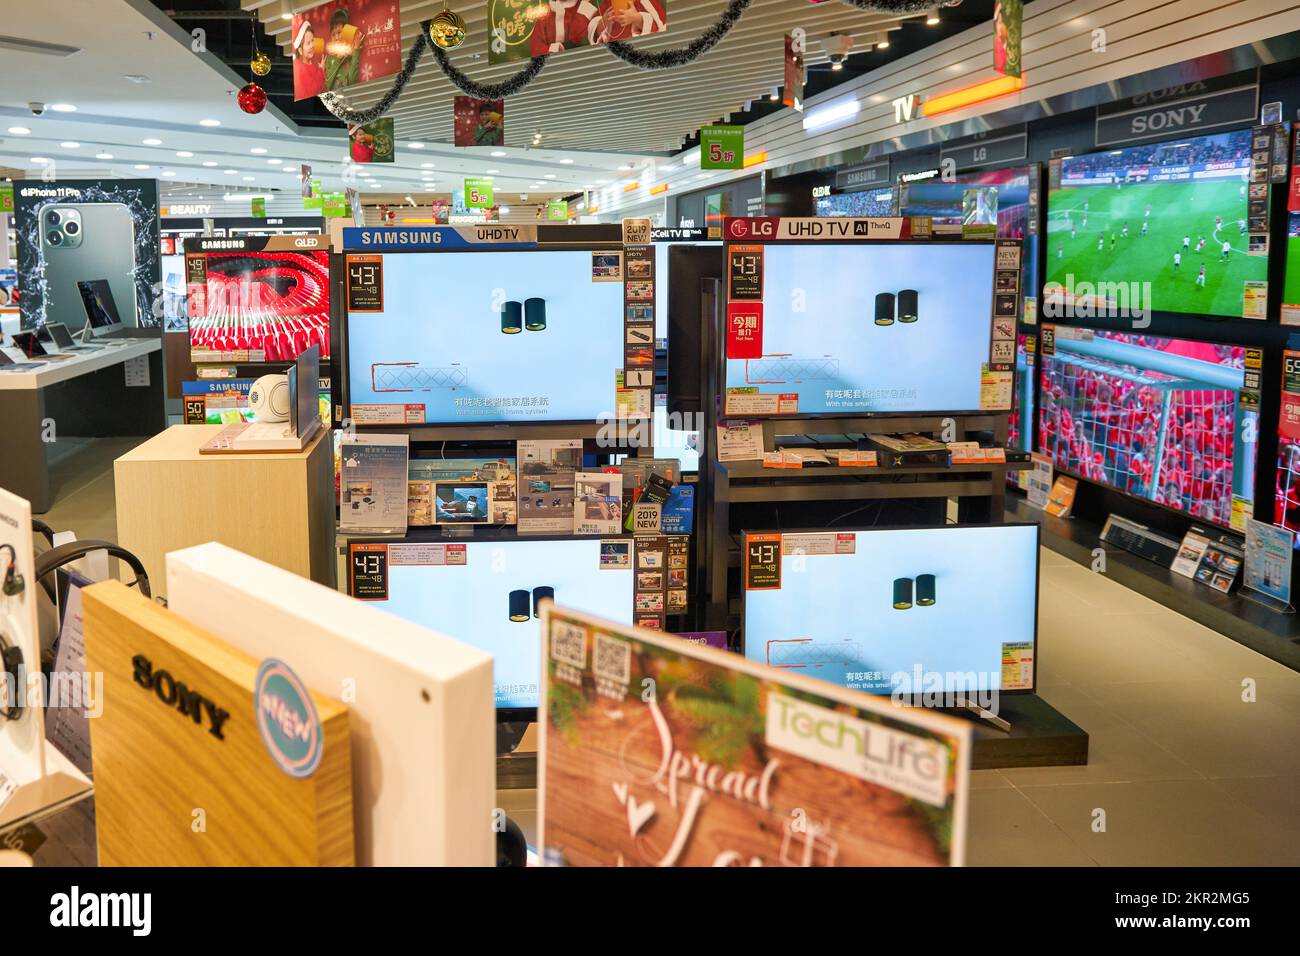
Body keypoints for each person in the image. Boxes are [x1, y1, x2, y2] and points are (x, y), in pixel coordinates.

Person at [530, 0, 599, 57]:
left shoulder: (586, 7)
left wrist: (585, 6)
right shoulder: (545, 12)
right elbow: (536, 46)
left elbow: (576, 37)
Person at [324, 7, 365, 92]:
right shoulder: (329, 59)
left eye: (339, 33)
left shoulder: (351, 56)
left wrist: (356, 50)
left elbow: (352, 81)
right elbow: (327, 85)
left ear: (346, 32)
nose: (336, 38)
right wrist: (338, 58)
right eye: (333, 34)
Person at [291, 20, 325, 99]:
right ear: (300, 50)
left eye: (312, 41)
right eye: (308, 43)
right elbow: (312, 92)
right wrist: (321, 70)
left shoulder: (315, 65)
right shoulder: (299, 68)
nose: (312, 45)